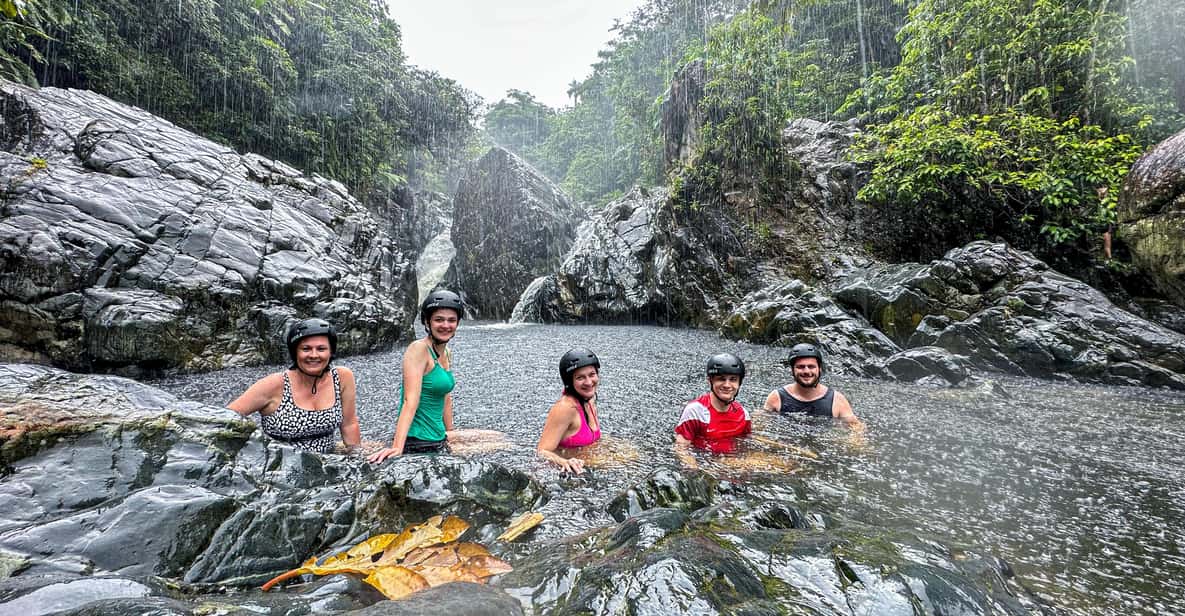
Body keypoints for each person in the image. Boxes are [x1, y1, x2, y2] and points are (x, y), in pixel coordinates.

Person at [227, 318, 360, 453]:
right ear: (295, 352)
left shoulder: (342, 377)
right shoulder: (273, 384)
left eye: (321, 349)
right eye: (306, 349)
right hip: (282, 465)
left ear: (331, 352)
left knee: (378, 452)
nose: (314, 355)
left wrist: (357, 461)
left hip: (328, 461)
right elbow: (224, 420)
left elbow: (349, 424)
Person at [368, 290, 464, 462]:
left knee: (495, 436)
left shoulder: (446, 352)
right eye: (439, 319)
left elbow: (446, 398)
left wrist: (451, 434)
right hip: (419, 441)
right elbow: (409, 401)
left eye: (451, 320)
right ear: (427, 322)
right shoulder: (418, 349)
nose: (445, 325)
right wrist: (397, 448)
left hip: (438, 436)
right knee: (503, 445)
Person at [763, 343, 861, 428]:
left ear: (819, 369)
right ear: (792, 370)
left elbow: (856, 428)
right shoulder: (777, 397)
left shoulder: (837, 400)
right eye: (801, 367)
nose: (806, 371)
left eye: (811, 366)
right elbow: (761, 422)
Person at [537, 348, 602, 474]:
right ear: (569, 382)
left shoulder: (589, 400)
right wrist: (564, 462)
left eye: (592, 374)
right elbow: (542, 452)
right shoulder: (565, 408)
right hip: (567, 474)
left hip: (589, 465)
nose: (589, 382)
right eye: (580, 377)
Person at [674, 353, 752, 455]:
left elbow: (746, 444)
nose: (727, 385)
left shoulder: (743, 415)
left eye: (733, 379)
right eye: (721, 379)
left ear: (739, 383)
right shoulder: (695, 412)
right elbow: (681, 449)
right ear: (710, 381)